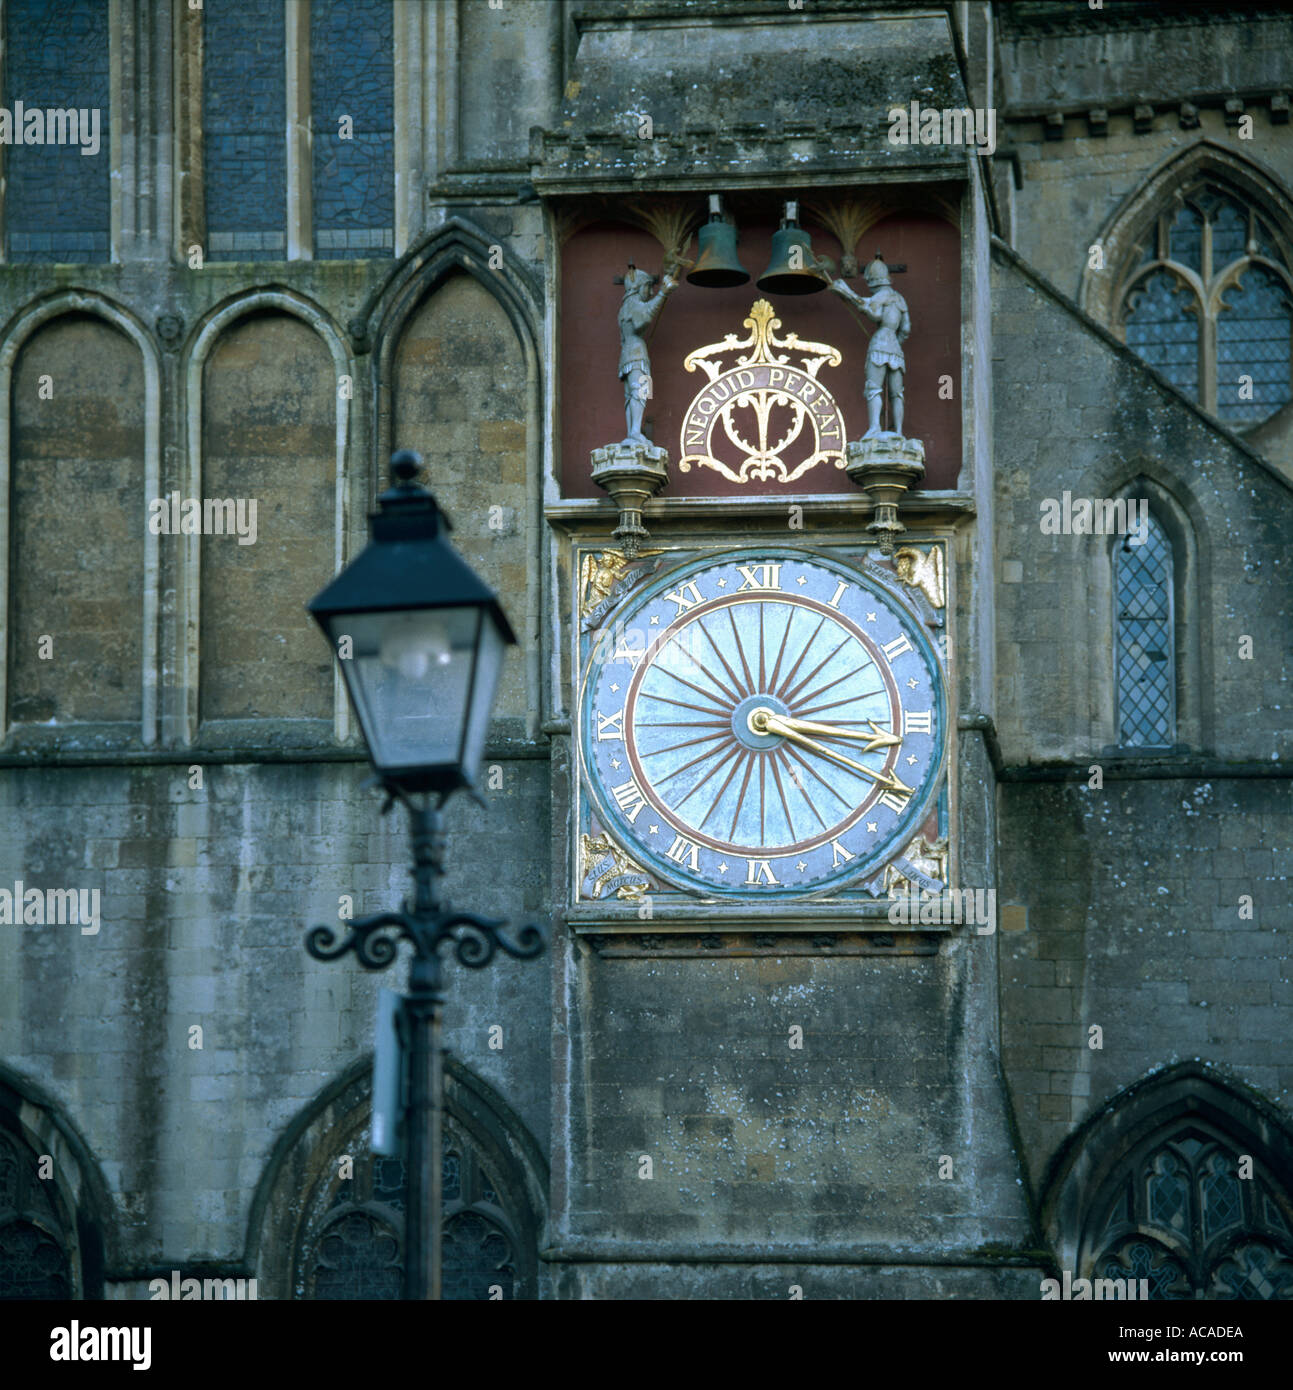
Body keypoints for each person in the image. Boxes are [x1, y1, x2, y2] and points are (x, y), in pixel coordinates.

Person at [828, 253, 911, 438]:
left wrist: (848, 294)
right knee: (897, 394)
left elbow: (875, 314)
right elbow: (906, 328)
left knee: (874, 389)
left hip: (880, 342)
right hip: (896, 349)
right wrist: (896, 342)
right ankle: (898, 431)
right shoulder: (899, 299)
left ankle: (875, 427)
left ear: (872, 281)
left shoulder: (880, 296)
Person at [617, 262, 677, 444]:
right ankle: (634, 431)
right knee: (640, 391)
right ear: (638, 287)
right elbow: (643, 318)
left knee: (635, 393)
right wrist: (663, 293)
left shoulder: (627, 305)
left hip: (630, 352)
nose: (650, 292)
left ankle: (633, 431)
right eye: (648, 287)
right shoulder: (632, 303)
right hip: (636, 353)